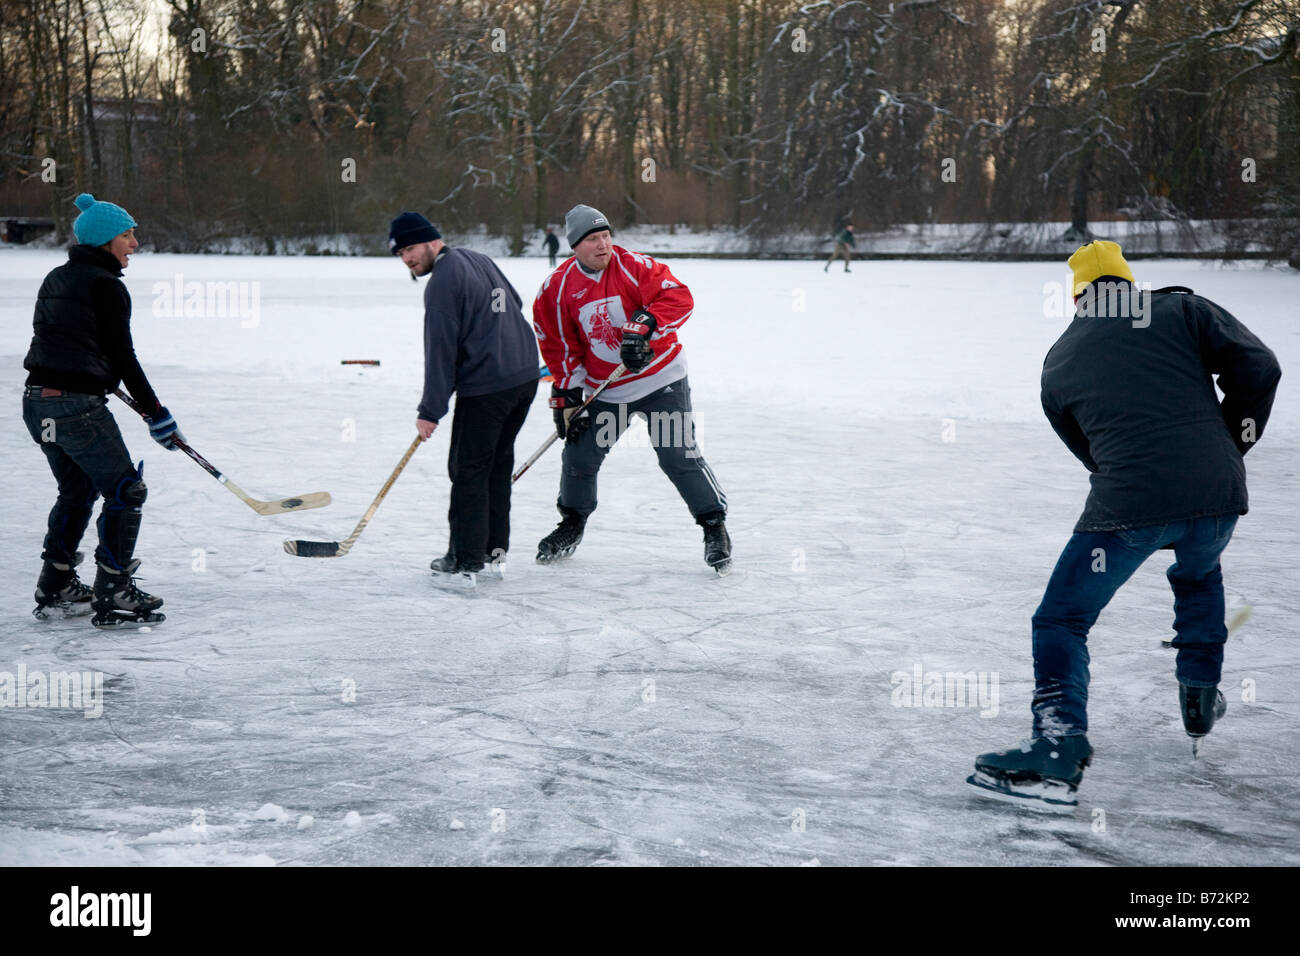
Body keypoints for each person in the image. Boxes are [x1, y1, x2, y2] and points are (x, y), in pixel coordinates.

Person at [968, 240, 1281, 808]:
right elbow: (1260, 366)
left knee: (1062, 620)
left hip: (1128, 507)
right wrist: (1234, 440)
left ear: (1079, 297)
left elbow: (1084, 446)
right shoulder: (1184, 311)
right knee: (1198, 577)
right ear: (1127, 284)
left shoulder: (1060, 358)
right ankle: (1200, 695)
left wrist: (1136, 481)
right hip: (1218, 496)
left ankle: (1058, 748)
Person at [531, 204, 730, 573]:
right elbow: (559, 345)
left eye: (606, 236)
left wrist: (647, 322)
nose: (603, 245)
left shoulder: (634, 266)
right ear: (574, 245)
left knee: (677, 456)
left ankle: (714, 527)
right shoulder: (556, 290)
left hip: (661, 380)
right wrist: (568, 392)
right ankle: (571, 523)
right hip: (606, 392)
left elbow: (679, 297)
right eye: (592, 239)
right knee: (579, 458)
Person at [22, 192, 183, 627]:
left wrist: (97, 373)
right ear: (105, 241)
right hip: (76, 408)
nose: (134, 243)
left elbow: (69, 344)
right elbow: (122, 356)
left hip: (38, 403)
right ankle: (113, 587)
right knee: (126, 489)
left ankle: (55, 582)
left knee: (76, 491)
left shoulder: (57, 277)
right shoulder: (106, 287)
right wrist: (157, 414)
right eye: (128, 235)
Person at [389, 211, 540, 587]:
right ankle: (493, 552)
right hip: (522, 379)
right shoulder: (478, 259)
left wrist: (430, 410)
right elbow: (515, 303)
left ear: (430, 240)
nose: (407, 259)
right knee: (495, 466)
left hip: (489, 387)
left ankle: (466, 559)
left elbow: (440, 350)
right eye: (399, 254)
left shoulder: (442, 281)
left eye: (409, 248)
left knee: (469, 470)